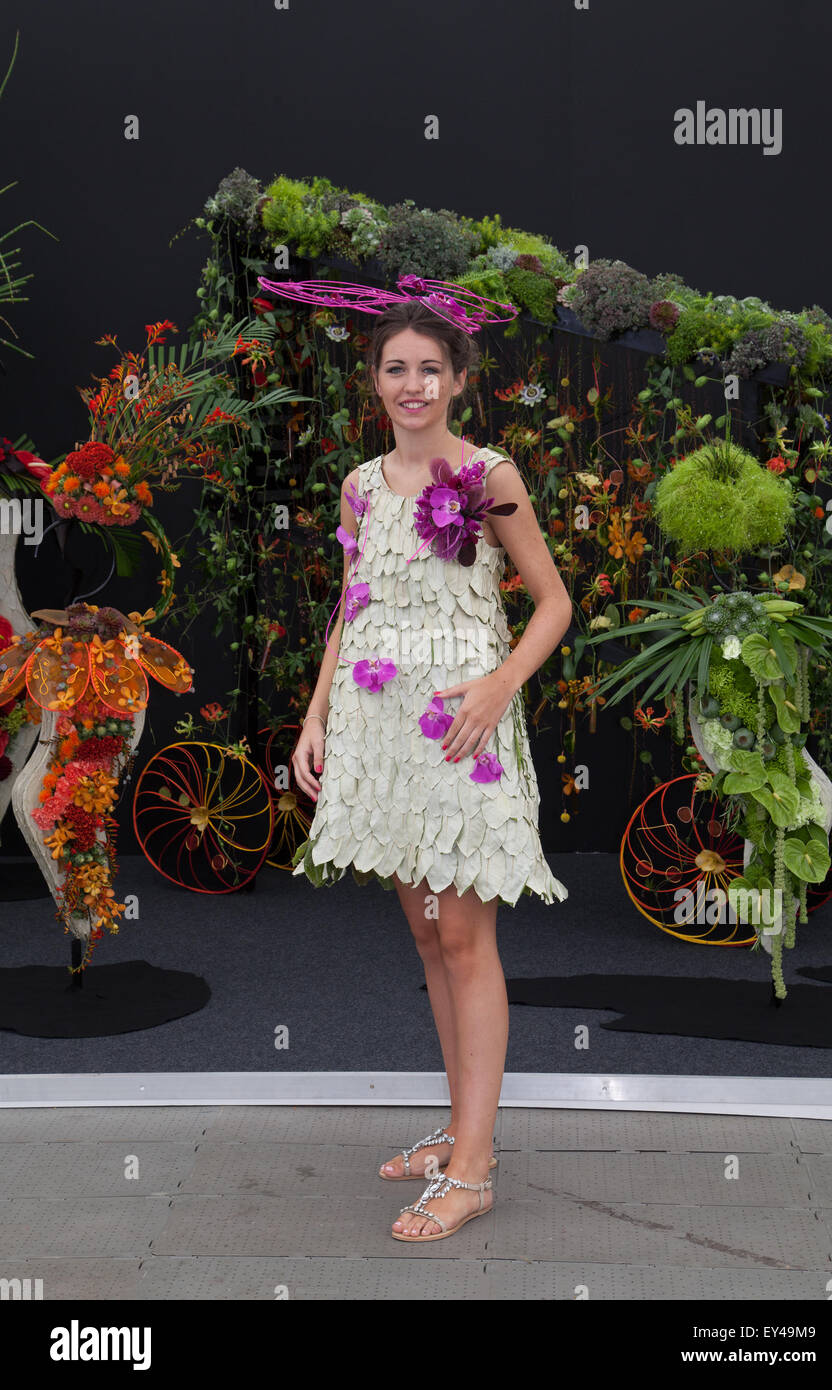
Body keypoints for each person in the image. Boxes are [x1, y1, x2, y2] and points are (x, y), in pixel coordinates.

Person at [291, 299, 572, 1242]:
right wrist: (317, 711)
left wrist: (497, 687)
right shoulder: (360, 485)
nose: (412, 386)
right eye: (394, 369)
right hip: (381, 731)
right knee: (424, 933)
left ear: (457, 379)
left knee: (465, 939)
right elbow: (352, 602)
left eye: (429, 369)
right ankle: (459, 1133)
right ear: (374, 382)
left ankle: (477, 1172)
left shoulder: (491, 477)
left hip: (462, 732)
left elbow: (554, 603)